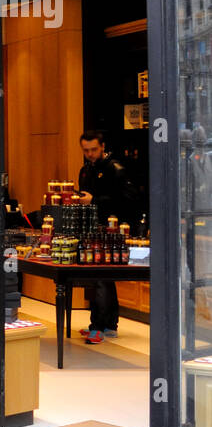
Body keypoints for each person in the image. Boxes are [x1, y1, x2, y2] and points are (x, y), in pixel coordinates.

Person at [78, 130, 135, 344]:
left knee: (101, 276)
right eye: (86, 150)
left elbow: (128, 201)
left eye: (94, 149)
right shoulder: (86, 170)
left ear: (102, 146)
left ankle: (99, 326)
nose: (90, 154)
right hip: (94, 228)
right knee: (102, 278)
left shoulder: (115, 169)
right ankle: (109, 324)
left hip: (112, 231)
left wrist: (95, 200)